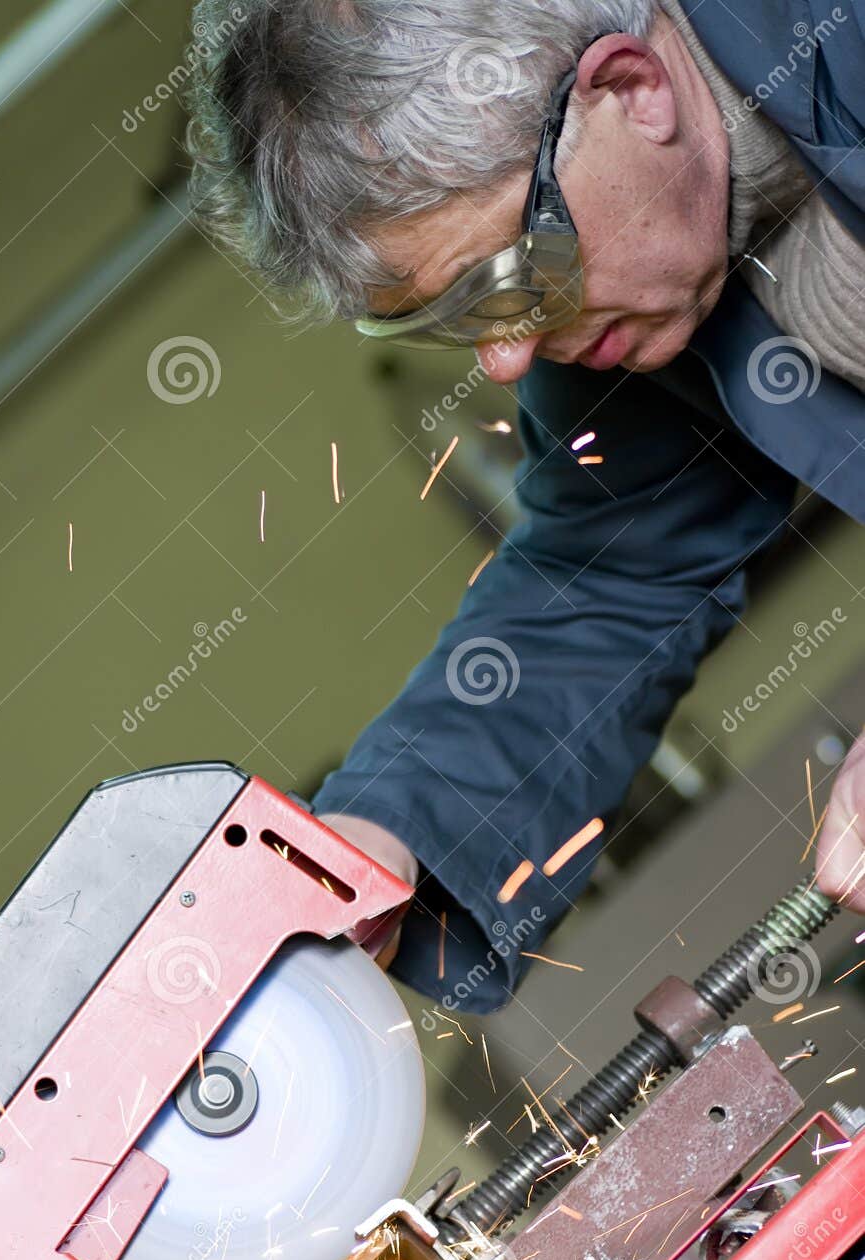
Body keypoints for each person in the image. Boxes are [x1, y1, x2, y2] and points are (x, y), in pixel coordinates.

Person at [186, 0, 865, 1010]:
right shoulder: (623, 278)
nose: (505, 356)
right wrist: (374, 844)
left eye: (502, 284)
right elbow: (607, 576)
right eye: (443, 325)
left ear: (629, 91)